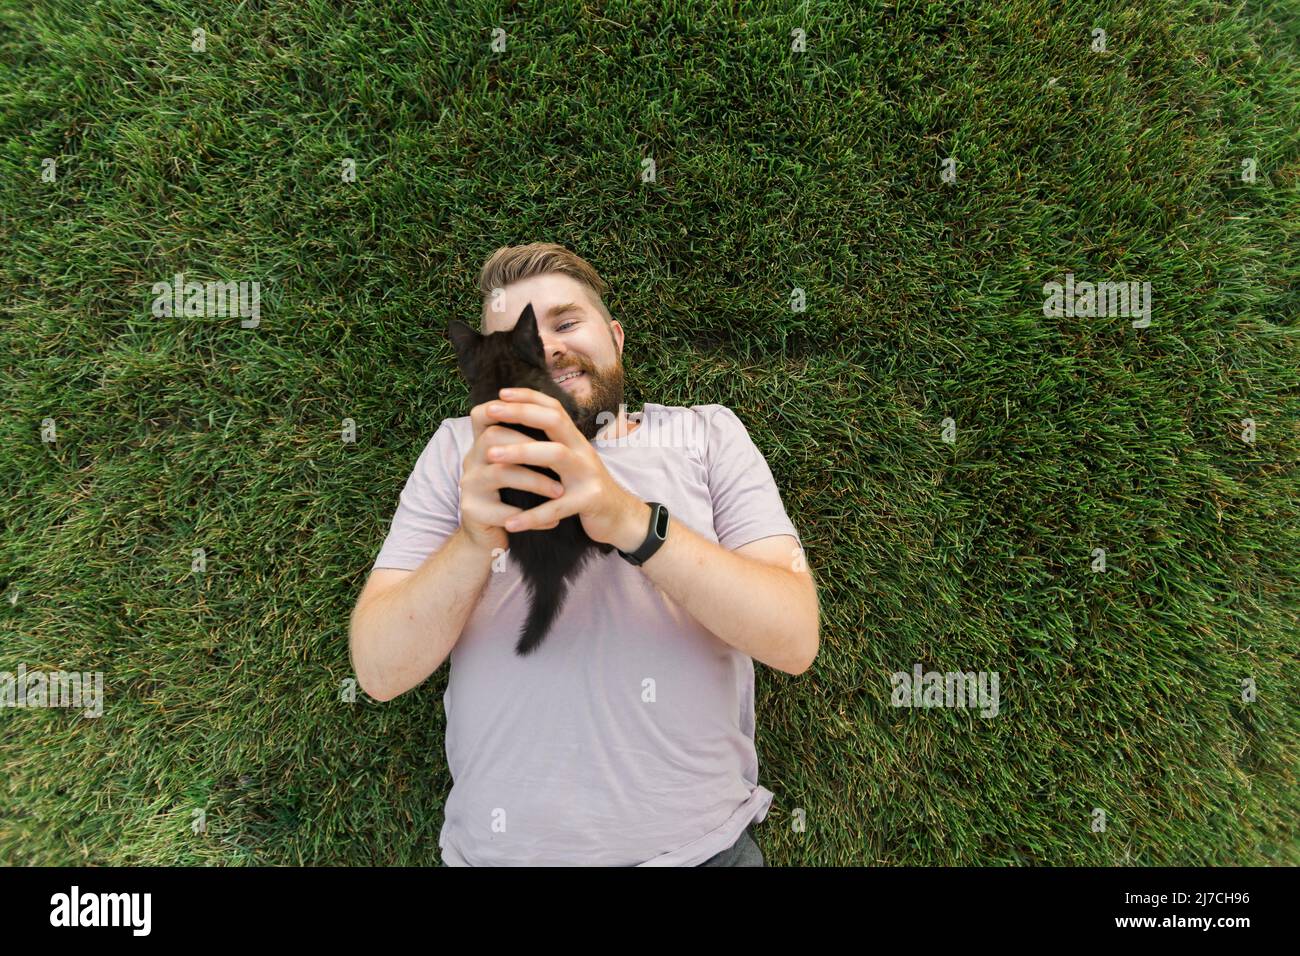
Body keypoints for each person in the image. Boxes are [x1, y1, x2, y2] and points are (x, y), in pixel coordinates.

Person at [349, 242, 819, 865]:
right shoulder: (456, 453)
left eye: (566, 323)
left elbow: (793, 639)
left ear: (616, 337)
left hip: (701, 852)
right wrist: (471, 542)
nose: (544, 349)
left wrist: (630, 521)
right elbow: (379, 672)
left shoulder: (706, 434)